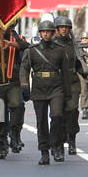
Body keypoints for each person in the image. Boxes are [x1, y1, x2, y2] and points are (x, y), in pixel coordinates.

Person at [27, 18, 71, 165]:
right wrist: (24, 86)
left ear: (53, 33)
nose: (46, 34)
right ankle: (44, 151)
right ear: (40, 33)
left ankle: (57, 146)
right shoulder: (32, 51)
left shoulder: (60, 50)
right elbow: (24, 69)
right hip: (39, 87)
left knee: (57, 116)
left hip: (56, 88)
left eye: (48, 32)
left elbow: (65, 72)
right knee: (41, 122)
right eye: (43, 32)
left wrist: (68, 93)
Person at [0, 22, 28, 160]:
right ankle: (1, 144)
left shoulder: (17, 37)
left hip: (13, 81)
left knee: (17, 106)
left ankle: (15, 133)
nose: (6, 26)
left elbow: (28, 47)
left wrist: (13, 44)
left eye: (9, 23)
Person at [55, 17, 86, 156]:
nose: (64, 29)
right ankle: (59, 142)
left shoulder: (74, 44)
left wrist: (85, 70)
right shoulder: (52, 44)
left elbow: (80, 62)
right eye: (61, 27)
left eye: (66, 27)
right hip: (57, 83)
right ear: (56, 29)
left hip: (72, 82)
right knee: (58, 114)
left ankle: (72, 140)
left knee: (72, 112)